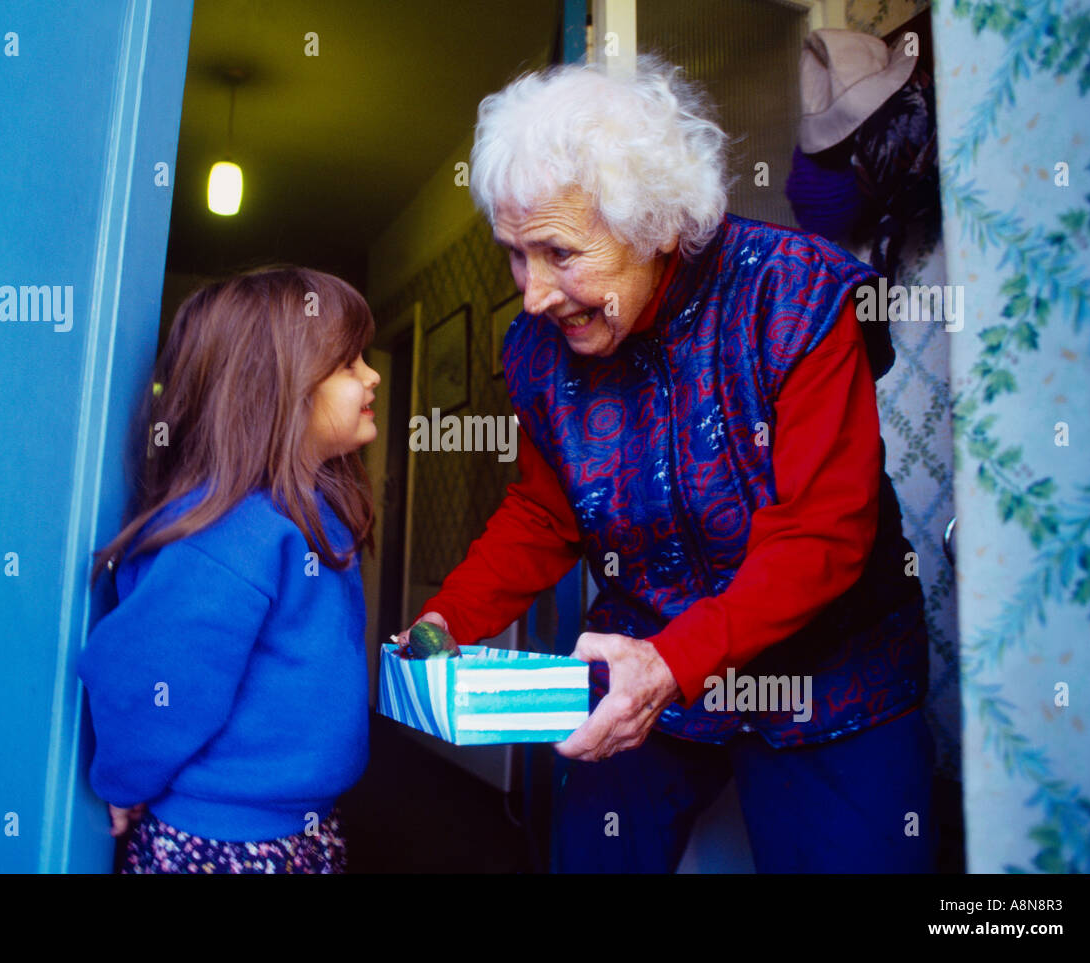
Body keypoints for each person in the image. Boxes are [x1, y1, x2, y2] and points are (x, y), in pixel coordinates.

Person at [396, 56, 935, 873]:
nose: (533, 292)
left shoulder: (797, 298)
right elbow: (547, 513)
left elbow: (824, 531)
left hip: (831, 681)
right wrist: (448, 620)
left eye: (558, 253)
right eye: (513, 252)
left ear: (653, 222)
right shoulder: (539, 351)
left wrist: (672, 663)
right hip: (642, 662)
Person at [79, 266, 380, 874]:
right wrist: (123, 779)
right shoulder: (231, 533)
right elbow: (147, 673)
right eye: (349, 364)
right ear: (276, 389)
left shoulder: (313, 514)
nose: (372, 375)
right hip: (219, 844)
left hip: (303, 829)